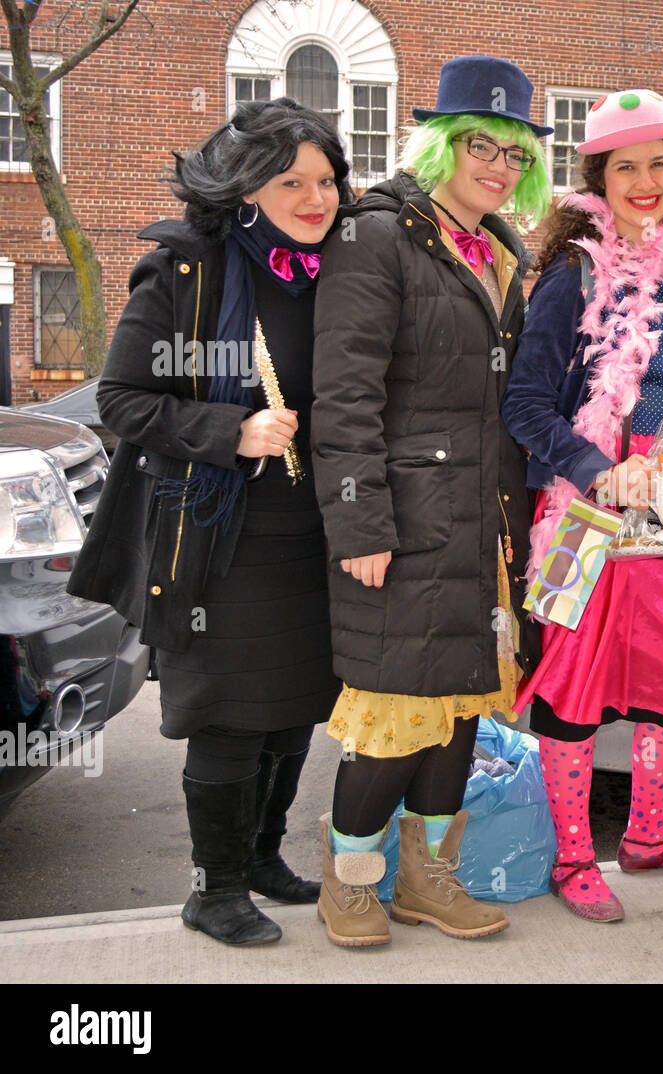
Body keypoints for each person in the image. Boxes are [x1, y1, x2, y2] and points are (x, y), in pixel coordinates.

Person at [67, 99, 351, 945]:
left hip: (314, 529)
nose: (315, 198)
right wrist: (230, 432)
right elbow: (121, 399)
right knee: (233, 713)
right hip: (219, 536)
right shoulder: (190, 270)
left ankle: (262, 856)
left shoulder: (338, 266)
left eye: (327, 180)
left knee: (296, 708)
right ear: (244, 187)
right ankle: (213, 887)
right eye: (290, 180)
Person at [309, 56, 552, 947]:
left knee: (460, 711)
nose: (499, 166)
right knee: (393, 716)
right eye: (481, 145)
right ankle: (351, 883)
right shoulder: (375, 237)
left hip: (484, 525)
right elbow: (343, 395)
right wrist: (361, 521)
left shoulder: (498, 252)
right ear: (440, 142)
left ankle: (426, 879)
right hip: (406, 523)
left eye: (516, 153)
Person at [502, 89, 663, 924]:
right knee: (574, 682)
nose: (645, 181)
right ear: (598, 179)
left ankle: (647, 835)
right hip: (594, 504)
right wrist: (600, 468)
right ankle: (573, 856)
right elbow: (524, 406)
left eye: (658, 164)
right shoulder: (571, 276)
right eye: (625, 166)